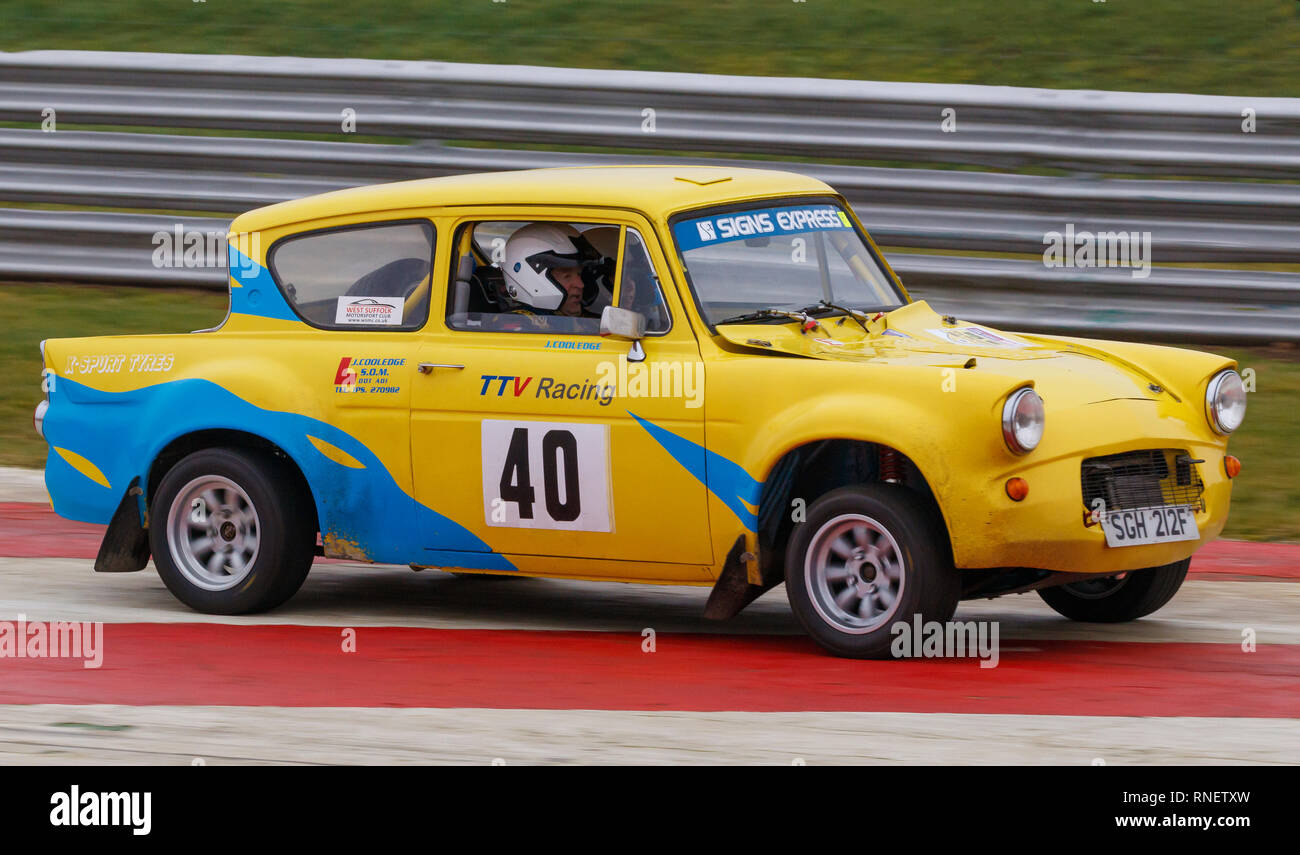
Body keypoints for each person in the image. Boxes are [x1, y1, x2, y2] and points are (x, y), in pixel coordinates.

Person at [501, 223, 605, 320]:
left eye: (579, 274)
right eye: (567, 276)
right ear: (530, 279)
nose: (581, 284)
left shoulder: (570, 321)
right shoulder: (517, 328)